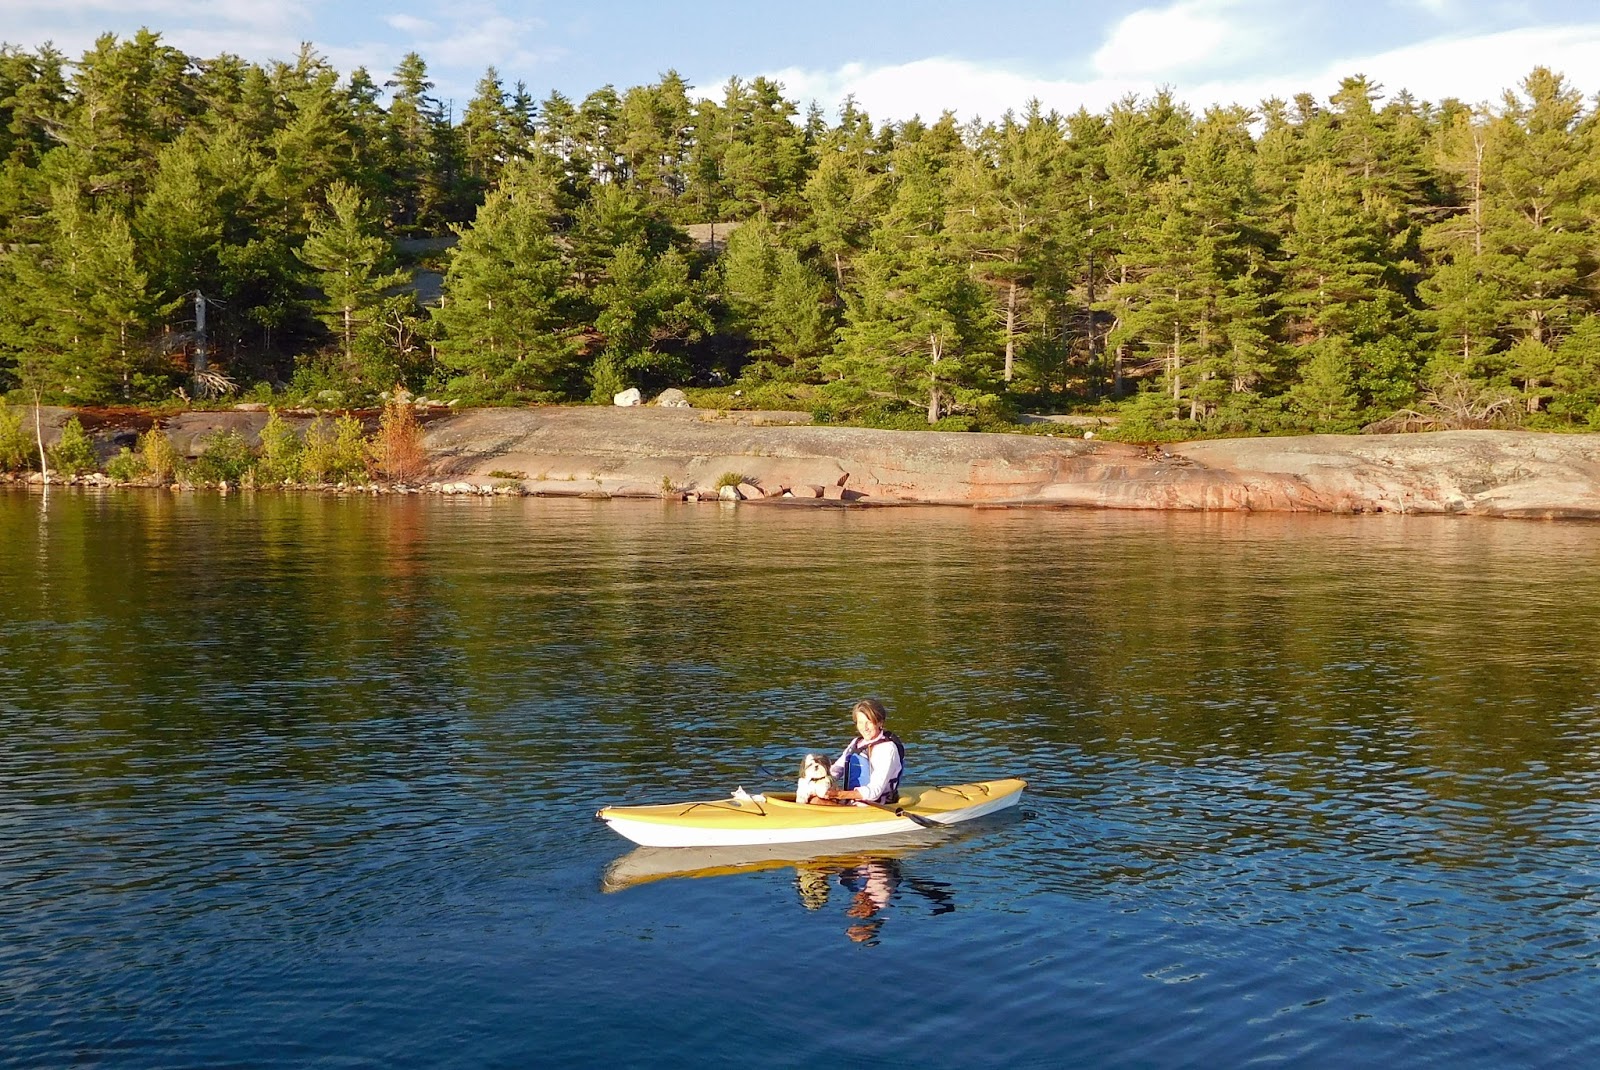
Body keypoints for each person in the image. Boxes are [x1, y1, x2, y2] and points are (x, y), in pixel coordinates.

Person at [824, 698, 904, 805]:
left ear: (880, 722)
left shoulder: (887, 749)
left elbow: (874, 792)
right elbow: (836, 770)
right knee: (814, 799)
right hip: (852, 801)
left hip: (877, 804)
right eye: (860, 723)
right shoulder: (856, 743)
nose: (864, 728)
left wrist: (838, 794)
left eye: (869, 722)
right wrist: (823, 782)